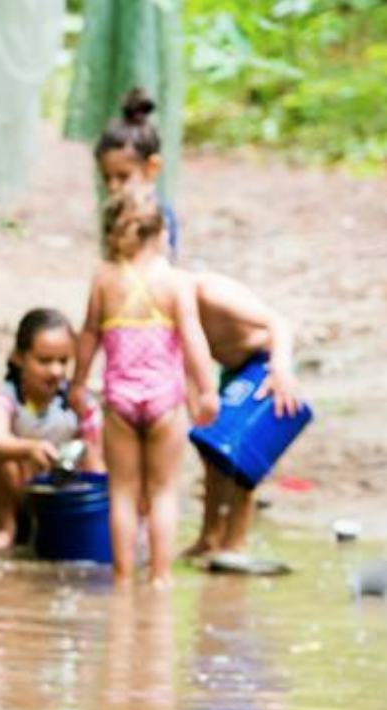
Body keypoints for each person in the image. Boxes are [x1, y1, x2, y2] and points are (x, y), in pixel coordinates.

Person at [70, 185, 219, 587]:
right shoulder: (175, 282)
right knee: (163, 492)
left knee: (122, 492)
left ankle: (122, 578)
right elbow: (193, 340)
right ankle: (161, 577)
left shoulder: (104, 280)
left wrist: (79, 382)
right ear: (161, 233)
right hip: (165, 401)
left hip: (118, 400)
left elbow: (88, 335)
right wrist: (207, 391)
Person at [185, 272, 303, 557]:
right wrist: (196, 417)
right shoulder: (173, 309)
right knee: (212, 456)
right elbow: (186, 363)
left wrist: (281, 370)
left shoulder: (209, 293)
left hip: (265, 365)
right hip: (232, 372)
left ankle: (235, 544)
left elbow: (279, 323)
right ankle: (208, 539)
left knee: (242, 459)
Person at [0, 308, 104, 550]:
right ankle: (7, 528)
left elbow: (96, 462)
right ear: (19, 357)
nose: (56, 371)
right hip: (16, 488)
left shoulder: (76, 401)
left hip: (62, 494)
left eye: (63, 361)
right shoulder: (6, 397)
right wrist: (29, 448)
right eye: (44, 361)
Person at [94, 88, 180, 259]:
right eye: (106, 177)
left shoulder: (160, 215)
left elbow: (167, 262)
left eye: (123, 176)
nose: (112, 186)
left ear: (152, 167)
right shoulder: (113, 211)